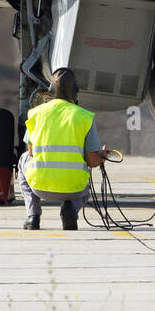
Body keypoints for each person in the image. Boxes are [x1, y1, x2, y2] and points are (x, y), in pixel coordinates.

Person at [18, 67, 108, 230]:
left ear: (51, 90)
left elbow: (31, 152)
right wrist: (102, 156)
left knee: (23, 159)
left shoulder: (35, 113)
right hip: (74, 190)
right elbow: (93, 162)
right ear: (75, 92)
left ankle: (33, 216)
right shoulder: (85, 116)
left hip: (39, 187)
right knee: (84, 171)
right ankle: (71, 209)